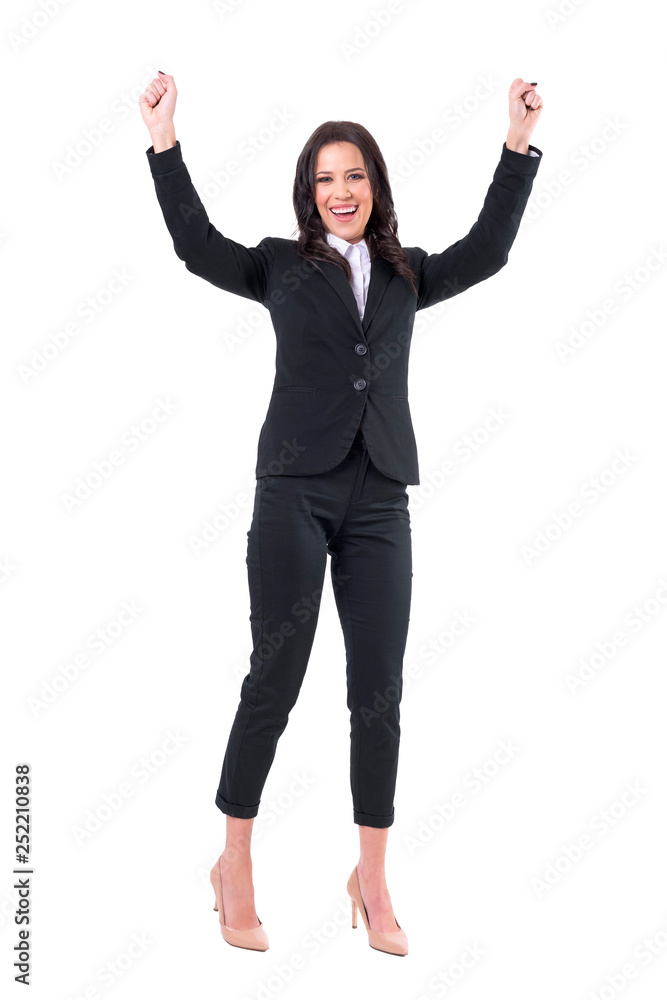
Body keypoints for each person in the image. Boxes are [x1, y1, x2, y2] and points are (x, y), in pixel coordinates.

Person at [139, 72, 543, 956]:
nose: (341, 191)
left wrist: (515, 145)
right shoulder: (279, 265)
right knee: (273, 682)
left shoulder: (407, 273)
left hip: (379, 498)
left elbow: (490, 249)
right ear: (307, 191)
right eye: (324, 178)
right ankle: (233, 862)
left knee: (380, 696)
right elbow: (193, 245)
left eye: (353, 175)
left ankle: (372, 875)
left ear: (375, 186)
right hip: (291, 490)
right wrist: (166, 141)